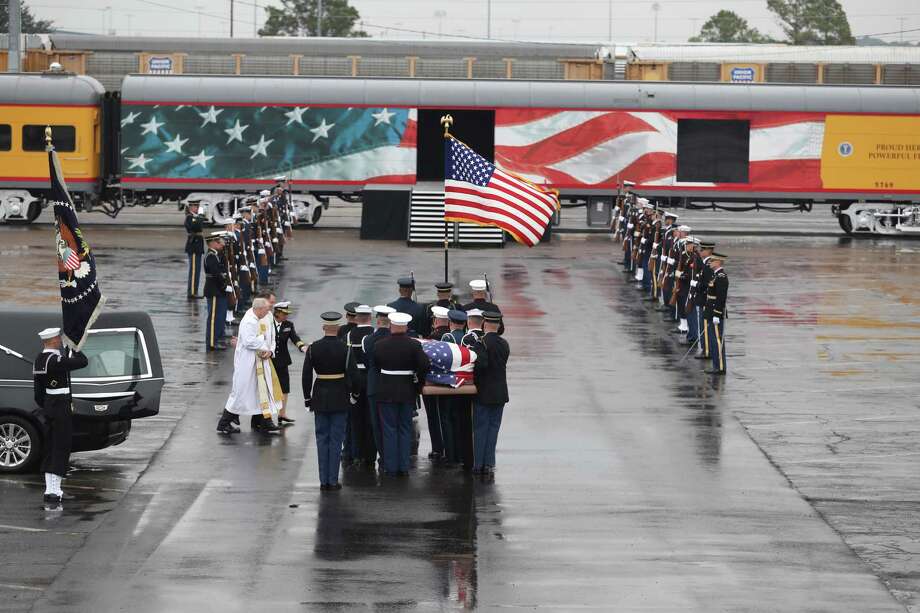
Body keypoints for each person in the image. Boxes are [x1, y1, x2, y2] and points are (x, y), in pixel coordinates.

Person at [32, 328, 88, 506]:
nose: (60, 340)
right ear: (54, 340)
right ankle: (55, 492)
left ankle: (50, 490)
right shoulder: (56, 360)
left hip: (49, 406)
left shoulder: (40, 359)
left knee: (51, 447)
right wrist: (74, 347)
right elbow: (82, 362)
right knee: (61, 448)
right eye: (59, 338)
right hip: (61, 406)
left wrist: (48, 405)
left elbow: (38, 394)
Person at [372, 312, 430, 476]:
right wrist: (418, 381)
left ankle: (391, 467)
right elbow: (425, 364)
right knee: (405, 429)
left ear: (391, 325)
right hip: (407, 391)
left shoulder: (380, 345)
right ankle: (403, 467)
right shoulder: (414, 345)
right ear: (405, 327)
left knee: (389, 429)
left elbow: (375, 366)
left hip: (386, 391)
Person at [217, 297, 283, 434]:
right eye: (266, 309)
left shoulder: (259, 317)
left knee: (261, 391)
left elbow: (269, 337)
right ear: (259, 309)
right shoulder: (249, 321)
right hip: (247, 364)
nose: (268, 312)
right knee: (240, 394)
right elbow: (249, 341)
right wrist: (263, 341)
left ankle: (265, 421)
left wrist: (269, 350)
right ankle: (224, 423)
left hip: (258, 361)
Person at [302, 312, 351, 490]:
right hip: (339, 395)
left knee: (322, 438)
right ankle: (332, 479)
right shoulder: (345, 348)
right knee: (336, 439)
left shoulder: (314, 348)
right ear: (338, 328)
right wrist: (353, 394)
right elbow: (351, 374)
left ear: (324, 327)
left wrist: (307, 398)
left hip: (320, 395)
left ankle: (323, 481)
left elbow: (306, 375)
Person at [471, 311, 510, 480]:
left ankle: (478, 464)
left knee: (480, 428)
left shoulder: (481, 343)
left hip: (484, 392)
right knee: (493, 428)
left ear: (484, 324)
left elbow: (481, 366)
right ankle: (489, 463)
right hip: (500, 392)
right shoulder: (504, 344)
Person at [363, 305, 394, 466]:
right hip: (392, 386)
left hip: (375, 385)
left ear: (377, 321)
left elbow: (368, 363)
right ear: (390, 322)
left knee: (377, 425)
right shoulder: (394, 338)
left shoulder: (368, 340)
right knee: (392, 424)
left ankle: (383, 456)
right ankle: (392, 456)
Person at [345, 305, 376, 466]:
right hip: (371, 378)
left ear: (357, 318)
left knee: (355, 419)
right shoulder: (374, 334)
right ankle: (370, 455)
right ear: (370, 317)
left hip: (355, 379)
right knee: (371, 419)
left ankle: (356, 454)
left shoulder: (349, 335)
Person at [422, 305, 451, 459]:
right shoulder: (451, 336)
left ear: (435, 320)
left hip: (432, 383)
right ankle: (450, 448)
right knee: (448, 417)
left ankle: (438, 449)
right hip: (451, 383)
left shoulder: (431, 338)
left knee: (434, 417)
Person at [439, 309, 467, 465]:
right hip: (464, 383)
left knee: (447, 419)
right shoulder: (466, 337)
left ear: (450, 322)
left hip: (450, 382)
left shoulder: (448, 337)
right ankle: (461, 454)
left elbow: (444, 358)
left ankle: (450, 454)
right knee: (459, 419)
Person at [272, 301, 305, 426]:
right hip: (269, 361)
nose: (286, 316)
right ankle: (266, 416)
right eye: (284, 313)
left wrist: (302, 347)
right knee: (269, 387)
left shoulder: (288, 325)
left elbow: (294, 337)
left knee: (284, 387)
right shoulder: (268, 323)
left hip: (283, 360)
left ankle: (282, 413)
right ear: (277, 313)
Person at [704, 253, 729, 375]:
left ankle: (720, 367)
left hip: (716, 312)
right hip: (710, 311)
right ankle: (715, 365)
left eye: (712, 260)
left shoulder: (721, 277)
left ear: (719, 262)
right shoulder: (715, 275)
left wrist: (717, 314)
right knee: (713, 340)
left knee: (717, 341)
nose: (710, 262)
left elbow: (721, 298)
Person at [203, 232, 229, 352]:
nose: (221, 244)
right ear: (212, 243)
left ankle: (219, 337)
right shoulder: (210, 256)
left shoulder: (217, 255)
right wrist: (224, 284)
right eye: (218, 242)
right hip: (214, 289)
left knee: (220, 316)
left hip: (219, 289)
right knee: (213, 318)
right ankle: (212, 342)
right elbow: (216, 273)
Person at [184, 199, 206, 299]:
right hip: (193, 246)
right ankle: (192, 292)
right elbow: (196, 226)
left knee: (197, 270)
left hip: (197, 246)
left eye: (197, 206)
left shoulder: (195, 217)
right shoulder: (189, 217)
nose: (197, 208)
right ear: (190, 207)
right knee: (193, 271)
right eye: (195, 206)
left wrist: (200, 217)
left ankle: (195, 290)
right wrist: (200, 217)